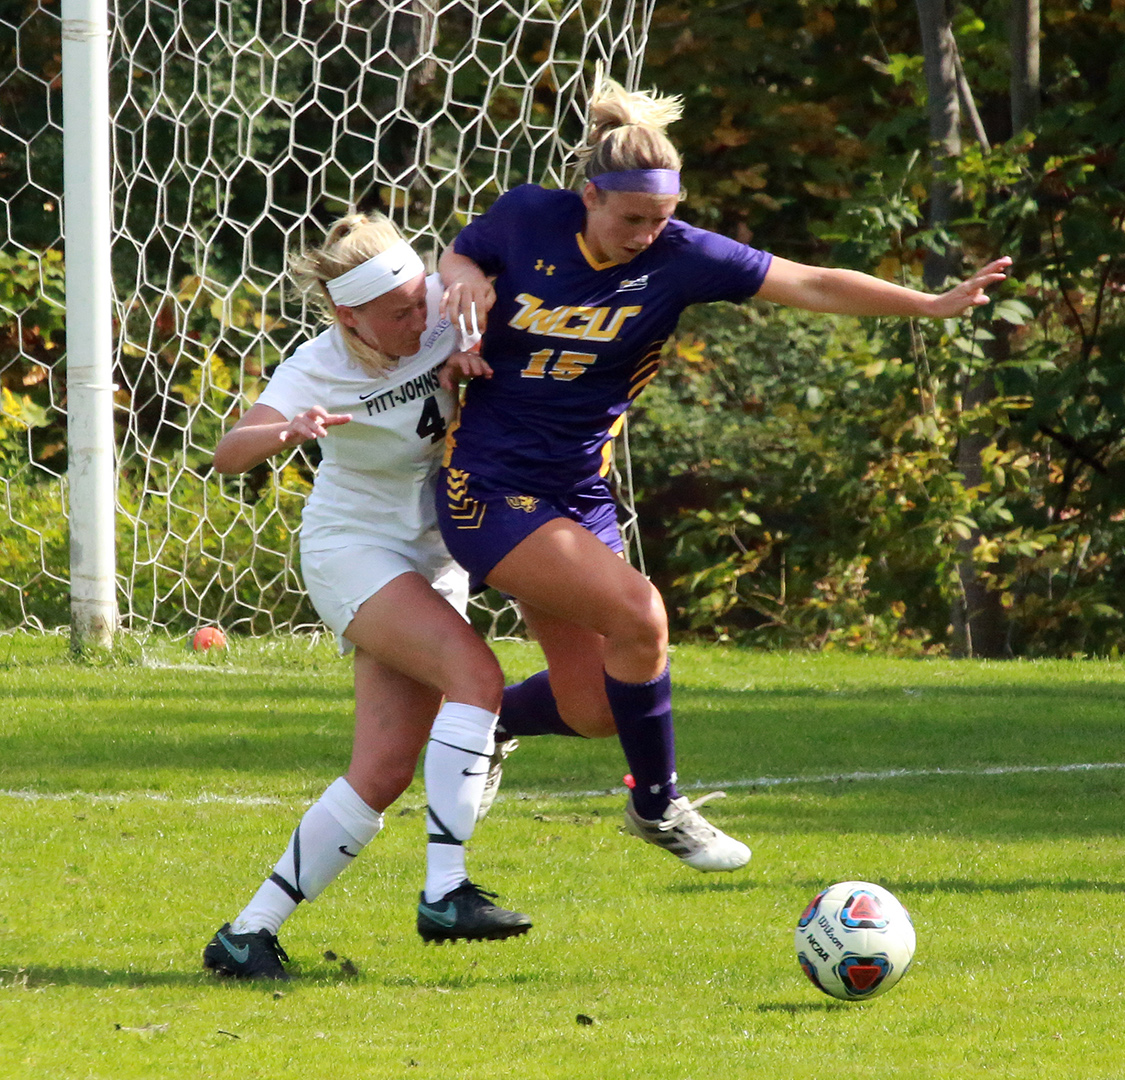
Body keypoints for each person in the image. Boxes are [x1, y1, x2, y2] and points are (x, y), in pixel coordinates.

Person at [434, 79, 1007, 869]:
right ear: (589, 195)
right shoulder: (530, 214)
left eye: (661, 217)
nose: (646, 233)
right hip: (486, 486)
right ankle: (657, 803)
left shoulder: (680, 256)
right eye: (631, 217)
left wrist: (930, 303)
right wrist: (458, 264)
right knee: (642, 616)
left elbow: (808, 281)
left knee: (596, 706)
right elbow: (463, 252)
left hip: (577, 490)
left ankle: (489, 721)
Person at [203, 214, 528, 981]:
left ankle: (246, 935)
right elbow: (226, 453)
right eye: (399, 314)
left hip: (435, 555)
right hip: (353, 549)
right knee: (477, 677)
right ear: (349, 317)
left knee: (382, 772)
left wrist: (473, 359)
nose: (421, 320)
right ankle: (446, 891)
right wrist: (290, 429)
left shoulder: (448, 317)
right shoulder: (315, 367)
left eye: (422, 302)